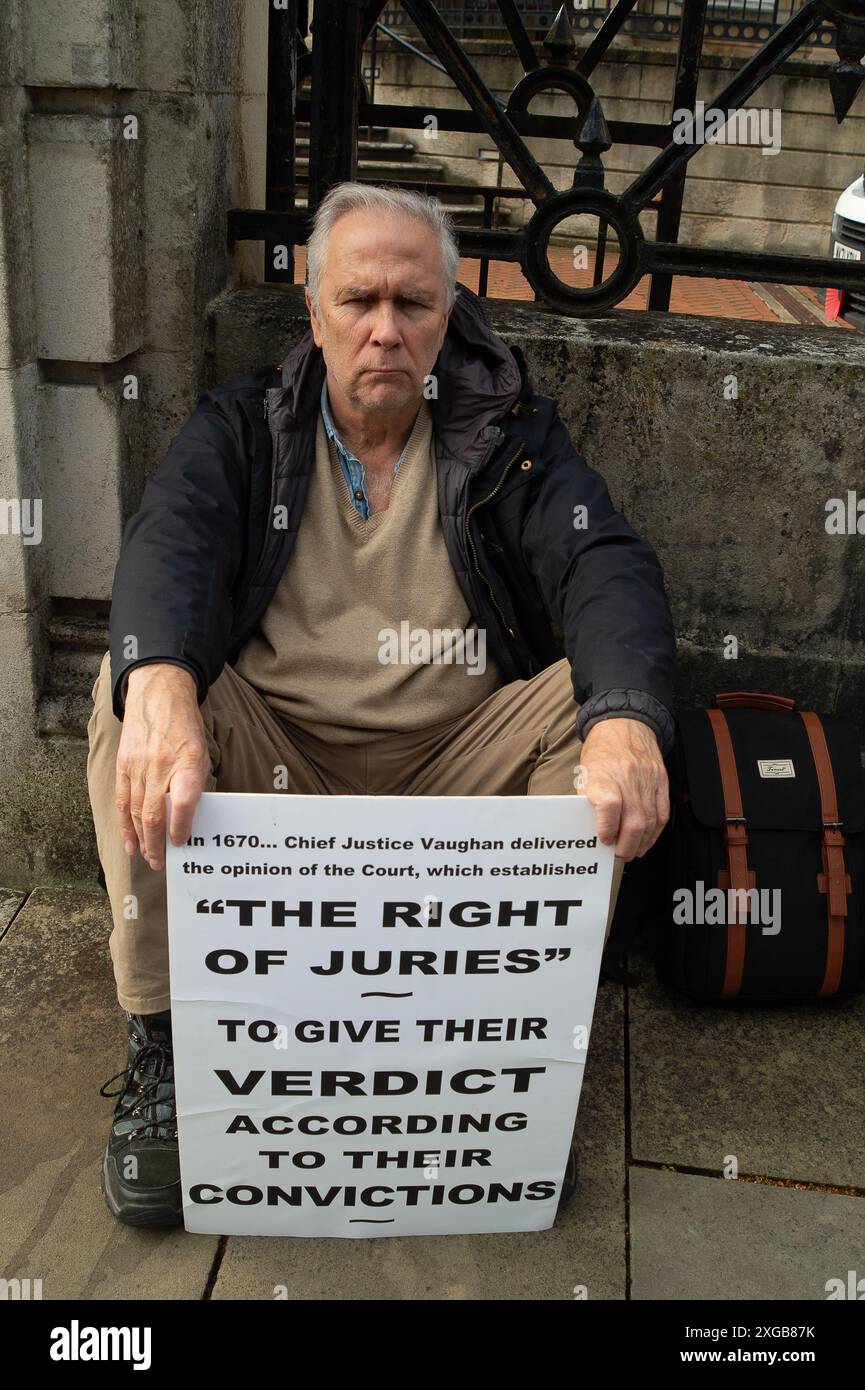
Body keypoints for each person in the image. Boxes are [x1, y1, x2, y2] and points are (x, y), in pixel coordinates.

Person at [87, 182, 676, 1229]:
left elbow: (604, 561)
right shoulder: (243, 427)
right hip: (279, 754)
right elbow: (168, 541)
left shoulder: (510, 435)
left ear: (449, 316)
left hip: (453, 760)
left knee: (590, 712)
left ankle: (501, 1079)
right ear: (313, 310)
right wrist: (163, 686)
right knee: (134, 686)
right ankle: (166, 1050)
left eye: (414, 304)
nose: (385, 330)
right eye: (359, 300)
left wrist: (627, 715)